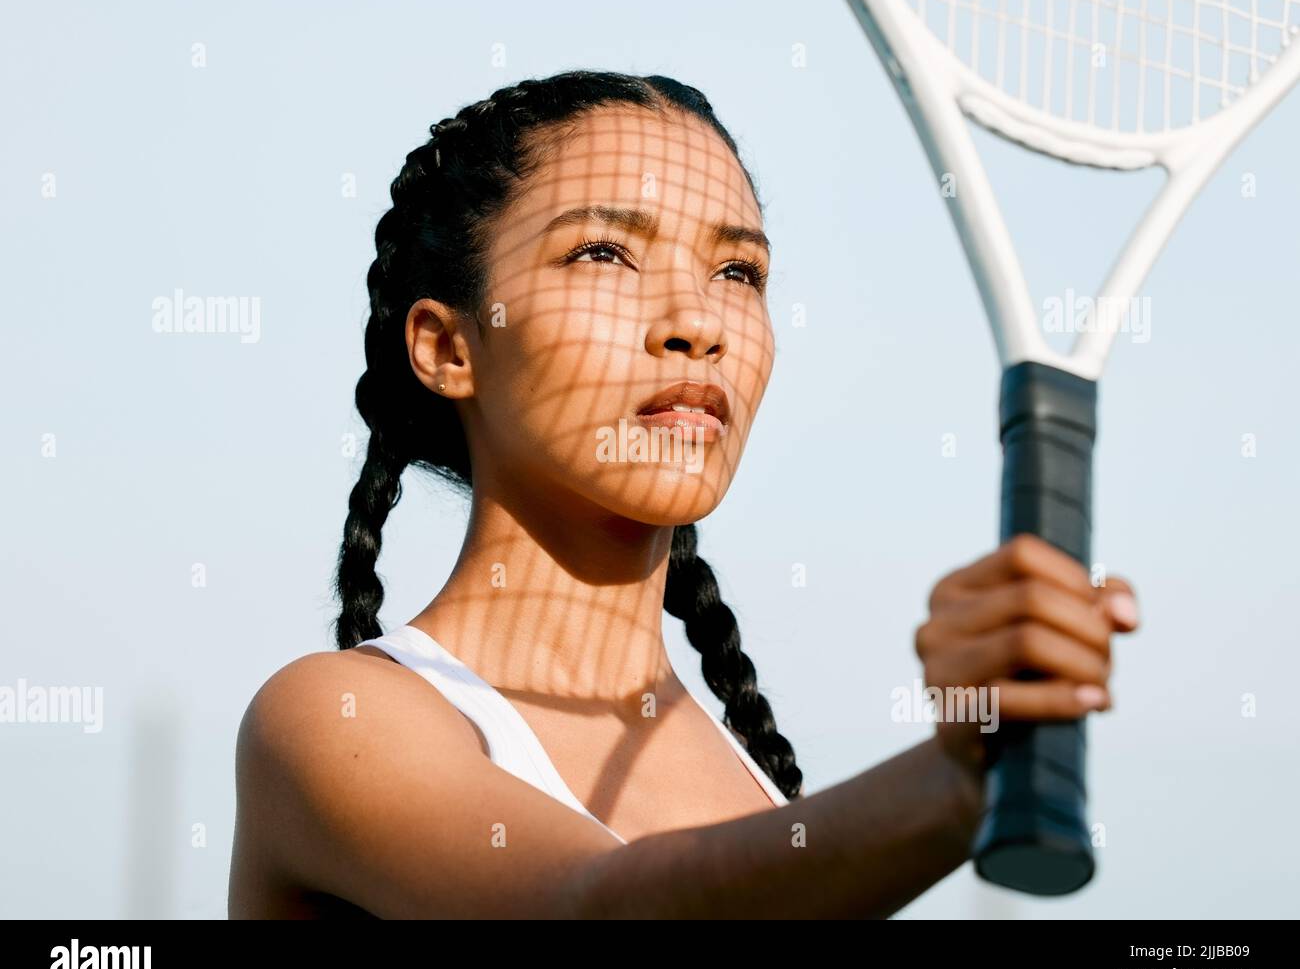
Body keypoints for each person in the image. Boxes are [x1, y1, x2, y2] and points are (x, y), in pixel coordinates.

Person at [227, 69, 1139, 919]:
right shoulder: (331, 720)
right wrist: (952, 779)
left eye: (738, 272)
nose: (698, 321)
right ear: (449, 348)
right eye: (603, 253)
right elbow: (600, 903)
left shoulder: (765, 802)